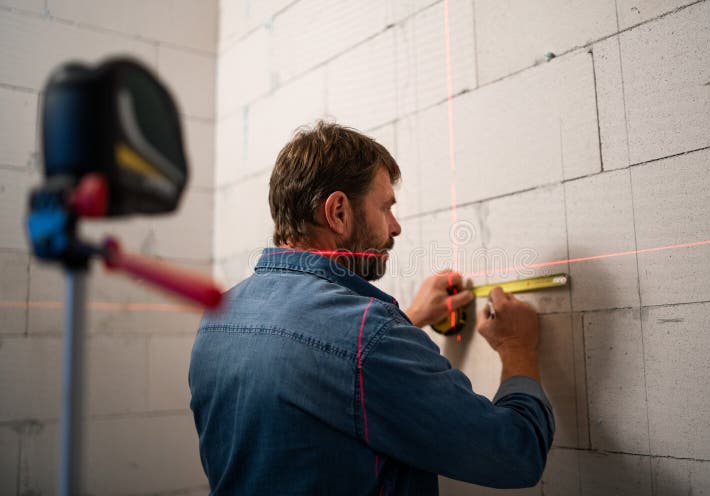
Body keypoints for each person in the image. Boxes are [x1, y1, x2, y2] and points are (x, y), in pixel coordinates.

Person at [189, 121, 554, 495]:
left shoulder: (220, 316)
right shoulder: (367, 336)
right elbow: (516, 453)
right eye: (385, 207)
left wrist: (407, 322)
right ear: (338, 213)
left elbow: (322, 372)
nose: (395, 228)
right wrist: (516, 347)